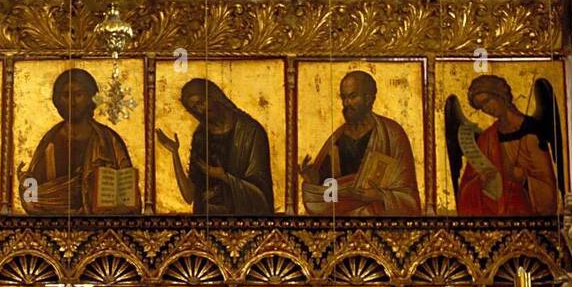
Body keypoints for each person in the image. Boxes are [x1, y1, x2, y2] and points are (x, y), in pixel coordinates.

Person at [300, 70, 420, 215]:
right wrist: (314, 181)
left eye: (352, 97)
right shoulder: (337, 140)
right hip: (341, 226)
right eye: (343, 98)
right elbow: (326, 197)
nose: (346, 103)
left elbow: (409, 197)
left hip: (381, 226)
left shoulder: (392, 135)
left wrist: (380, 195)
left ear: (369, 98)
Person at [23, 69, 137, 215]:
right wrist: (26, 188)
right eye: (65, 95)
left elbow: (126, 191)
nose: (72, 102)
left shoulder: (108, 140)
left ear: (91, 98)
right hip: (53, 222)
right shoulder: (50, 141)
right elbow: (34, 190)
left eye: (78, 95)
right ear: (57, 100)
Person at [446, 74, 561, 214]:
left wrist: (524, 179)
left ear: (500, 95)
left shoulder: (531, 133)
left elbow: (549, 191)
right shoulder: (487, 138)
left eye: (487, 101)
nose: (486, 109)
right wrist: (481, 182)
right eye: (481, 107)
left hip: (525, 217)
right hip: (495, 214)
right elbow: (466, 189)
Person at [156, 78, 273, 214]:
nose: (200, 110)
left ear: (214, 97)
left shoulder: (250, 132)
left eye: (201, 102)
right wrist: (174, 153)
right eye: (194, 108)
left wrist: (224, 177)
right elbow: (189, 195)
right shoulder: (201, 136)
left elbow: (261, 195)